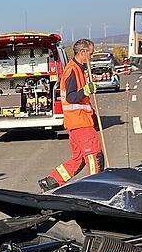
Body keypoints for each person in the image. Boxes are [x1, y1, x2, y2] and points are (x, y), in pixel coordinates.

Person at [39, 38, 103, 191]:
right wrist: (85, 91)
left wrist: (92, 114)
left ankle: (52, 181)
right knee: (94, 156)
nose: (91, 57)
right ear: (82, 52)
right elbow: (71, 97)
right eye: (91, 54)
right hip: (80, 123)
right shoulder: (72, 70)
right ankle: (96, 187)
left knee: (79, 159)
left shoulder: (78, 69)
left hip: (77, 122)